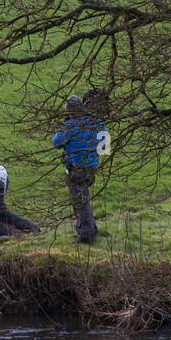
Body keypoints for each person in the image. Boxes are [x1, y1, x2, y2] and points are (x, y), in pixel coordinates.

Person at [51, 96, 103, 243]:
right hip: (91, 167)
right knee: (84, 198)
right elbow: (104, 144)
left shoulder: (70, 126)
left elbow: (56, 142)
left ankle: (86, 234)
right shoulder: (96, 123)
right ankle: (92, 229)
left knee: (80, 202)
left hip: (76, 168)